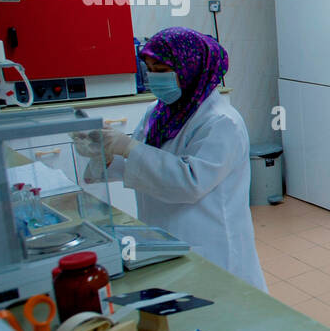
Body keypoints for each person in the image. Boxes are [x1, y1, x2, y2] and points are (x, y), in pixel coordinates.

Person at [81, 28, 266, 290]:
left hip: (211, 242)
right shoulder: (158, 114)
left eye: (162, 69)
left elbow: (189, 182)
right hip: (164, 231)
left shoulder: (221, 122)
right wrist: (106, 154)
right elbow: (144, 165)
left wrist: (128, 148)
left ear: (190, 67)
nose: (154, 78)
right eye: (149, 69)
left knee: (220, 311)